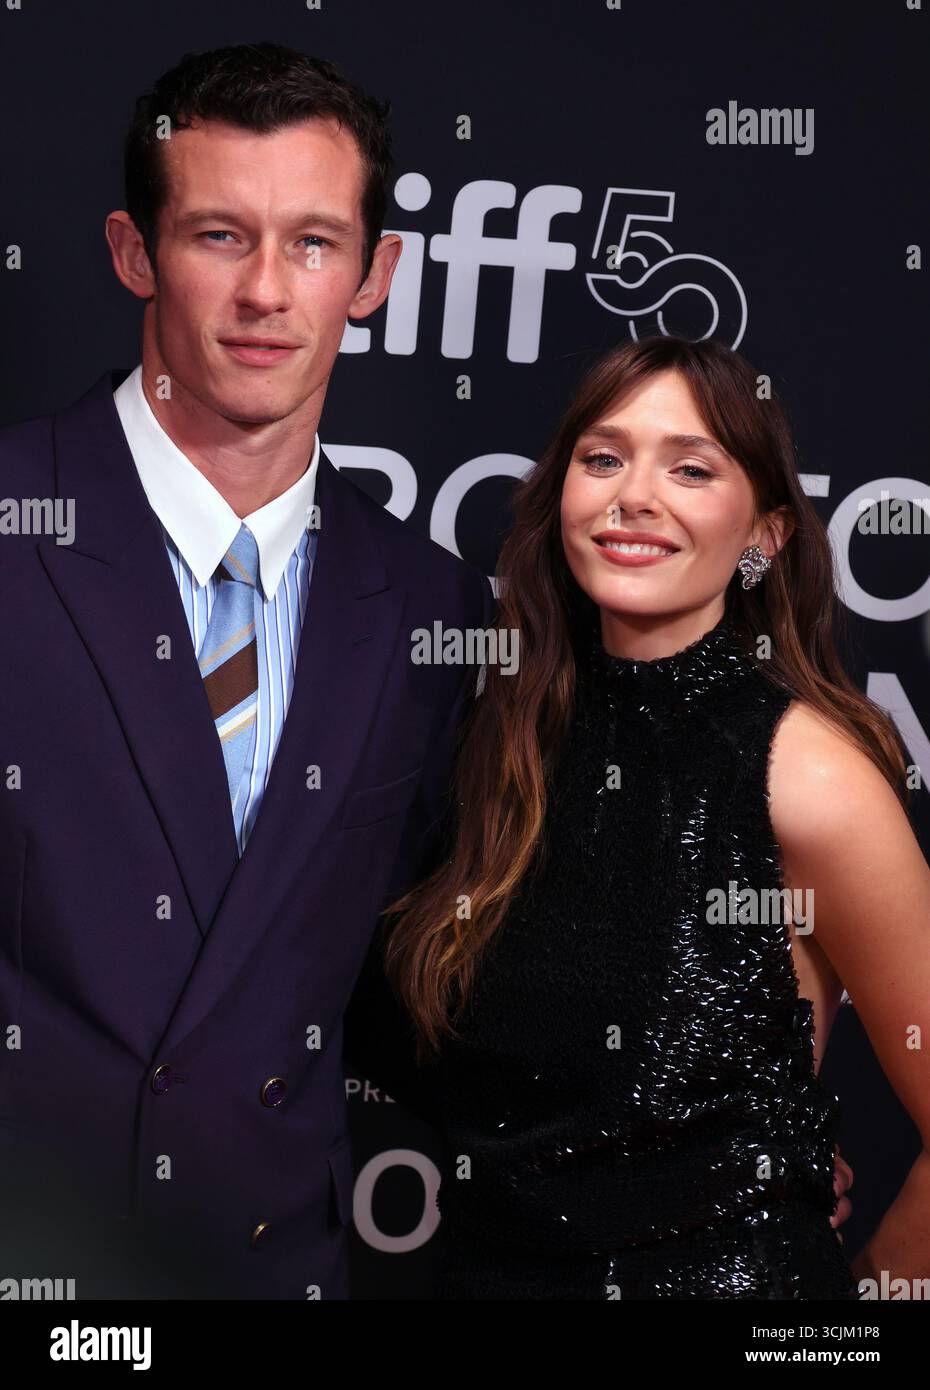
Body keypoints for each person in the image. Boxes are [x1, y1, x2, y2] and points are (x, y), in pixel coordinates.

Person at [0, 42, 490, 1298]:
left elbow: (413, 991)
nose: (268, 292)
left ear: (376, 274)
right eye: (220, 235)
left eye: (315, 243)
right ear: (132, 253)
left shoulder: (427, 605)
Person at [380, 336, 930, 1299]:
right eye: (604, 458)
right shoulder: (498, 740)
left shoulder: (808, 777)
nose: (634, 494)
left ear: (764, 536)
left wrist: (853, 1307)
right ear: (562, 501)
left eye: (690, 466)